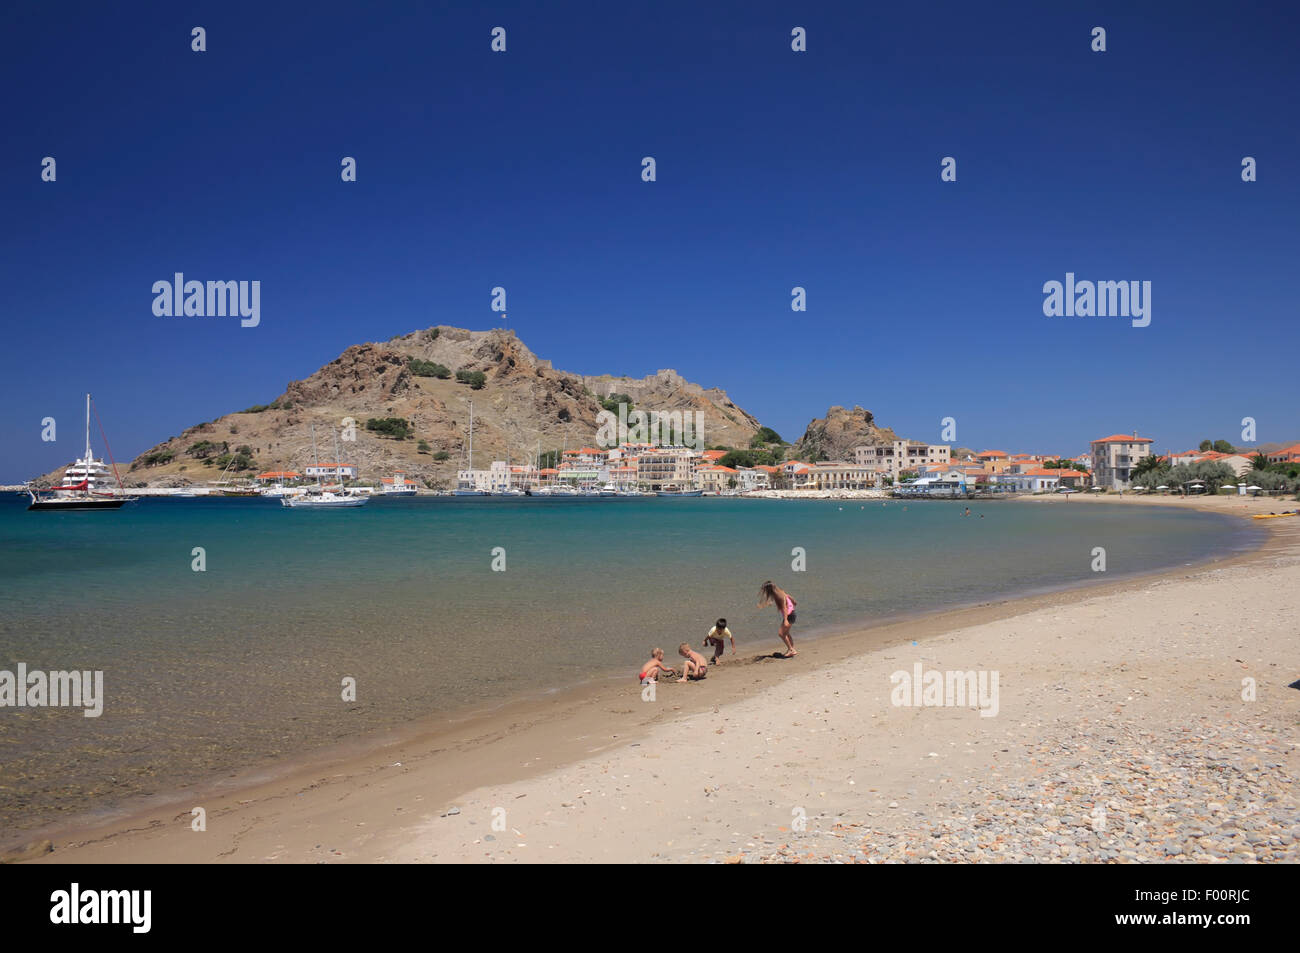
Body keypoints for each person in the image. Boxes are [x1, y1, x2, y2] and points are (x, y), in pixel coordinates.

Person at [757, 580, 798, 658]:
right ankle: (791, 649)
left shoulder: (778, 596)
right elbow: (790, 598)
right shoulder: (780, 592)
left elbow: (784, 608)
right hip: (792, 614)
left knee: (781, 634)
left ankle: (792, 650)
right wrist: (794, 602)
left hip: (789, 615)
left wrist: (785, 620)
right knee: (786, 633)